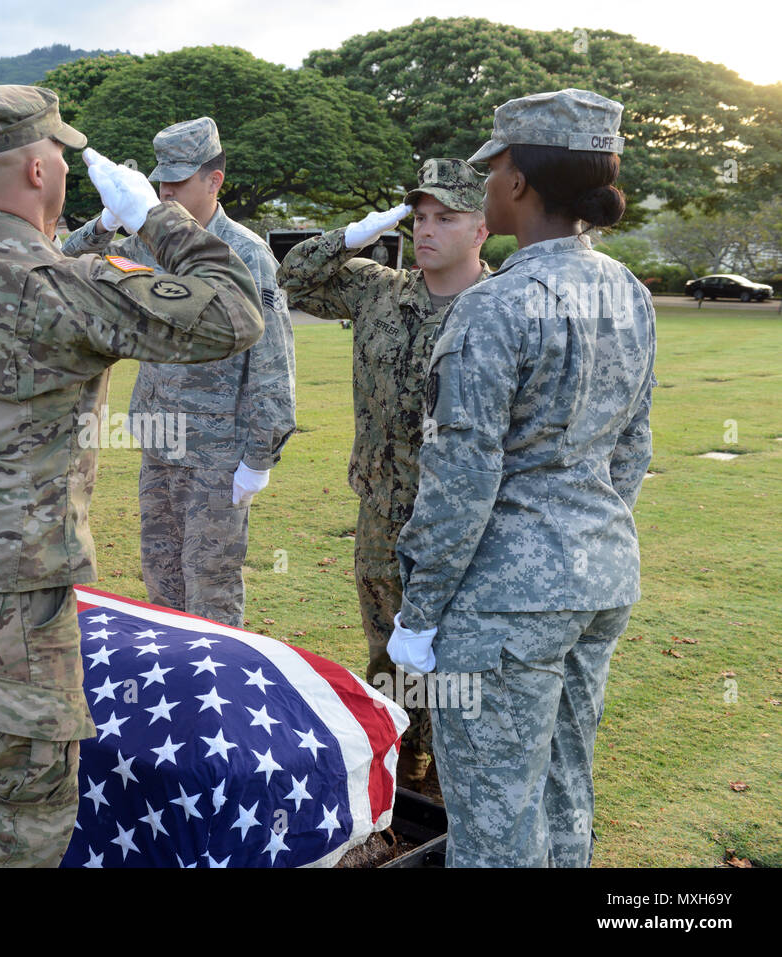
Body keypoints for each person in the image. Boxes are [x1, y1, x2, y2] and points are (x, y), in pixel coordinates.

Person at [0, 84, 264, 867]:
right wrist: (156, 218)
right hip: (7, 594)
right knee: (19, 810)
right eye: (61, 157)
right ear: (39, 171)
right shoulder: (62, 286)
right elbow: (234, 312)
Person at [389, 89, 655, 867]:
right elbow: (631, 449)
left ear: (522, 182)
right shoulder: (628, 291)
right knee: (565, 792)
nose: (490, 178)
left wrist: (419, 609)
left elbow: (459, 482)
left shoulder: (493, 307)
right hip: (600, 577)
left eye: (497, 163)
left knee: (495, 822)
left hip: (503, 604)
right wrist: (581, 538)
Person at [276, 159, 490, 794]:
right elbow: (290, 278)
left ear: (483, 229)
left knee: (457, 658)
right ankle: (401, 778)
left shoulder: (500, 307)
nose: (426, 230)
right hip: (380, 509)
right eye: (419, 217)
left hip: (462, 517)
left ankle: (456, 785)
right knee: (389, 656)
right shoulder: (376, 289)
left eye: (445, 218)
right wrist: (352, 236)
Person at [63, 117, 296, 628]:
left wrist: (260, 456)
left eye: (178, 181)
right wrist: (104, 223)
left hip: (217, 455)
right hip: (158, 443)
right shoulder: (146, 244)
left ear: (213, 181)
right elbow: (62, 265)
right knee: (161, 589)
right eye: (160, 180)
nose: (165, 190)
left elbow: (273, 362)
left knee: (210, 595)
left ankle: (217, 704)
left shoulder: (246, 253)